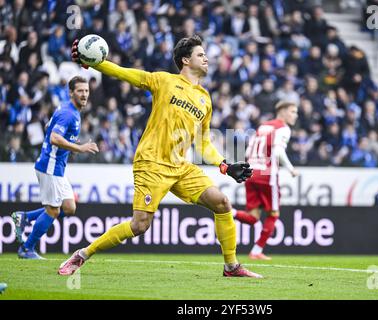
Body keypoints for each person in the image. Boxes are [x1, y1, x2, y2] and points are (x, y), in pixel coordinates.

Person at [58, 35, 261, 278]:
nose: (206, 58)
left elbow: (203, 143)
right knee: (139, 225)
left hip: (180, 166)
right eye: (200, 54)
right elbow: (124, 73)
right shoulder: (163, 80)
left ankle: (232, 267)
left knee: (222, 203)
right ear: (186, 60)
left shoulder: (205, 99)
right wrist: (94, 63)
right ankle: (82, 254)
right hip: (152, 163)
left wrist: (225, 165)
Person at [11, 76, 99, 259]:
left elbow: (49, 127)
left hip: (56, 167)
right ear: (71, 92)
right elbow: (54, 138)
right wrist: (80, 148)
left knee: (69, 207)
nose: (84, 94)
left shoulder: (70, 110)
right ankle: (27, 248)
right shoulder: (69, 113)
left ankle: (25, 217)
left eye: (86, 91)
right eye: (80, 91)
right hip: (50, 167)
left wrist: (68, 146)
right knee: (53, 210)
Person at [232, 101, 299, 260]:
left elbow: (248, 150)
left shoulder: (262, 127)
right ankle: (256, 251)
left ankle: (230, 211)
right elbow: (277, 151)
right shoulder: (283, 128)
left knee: (253, 217)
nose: (295, 115)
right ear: (282, 111)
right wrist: (290, 169)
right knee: (274, 213)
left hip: (251, 173)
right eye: (292, 111)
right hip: (267, 175)